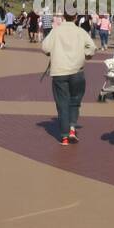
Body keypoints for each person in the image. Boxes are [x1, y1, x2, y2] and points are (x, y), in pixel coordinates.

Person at [42, 11, 97, 146]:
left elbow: (45, 47)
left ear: (63, 17)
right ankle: (72, 128)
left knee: (62, 103)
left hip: (59, 71)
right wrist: (86, 55)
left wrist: (53, 52)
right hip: (77, 71)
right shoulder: (81, 32)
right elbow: (92, 47)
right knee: (75, 101)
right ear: (76, 17)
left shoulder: (56, 31)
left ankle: (64, 136)